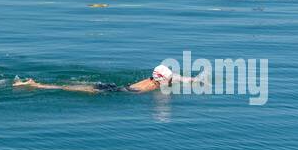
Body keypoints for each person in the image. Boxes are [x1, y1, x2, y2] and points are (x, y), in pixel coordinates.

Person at [13, 64, 197, 95]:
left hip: (115, 87)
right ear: (161, 79)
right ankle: (36, 85)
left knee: (72, 85)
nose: (172, 81)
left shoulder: (153, 80)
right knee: (66, 89)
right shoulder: (153, 87)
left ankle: (36, 84)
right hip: (115, 92)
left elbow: (180, 78)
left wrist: (192, 81)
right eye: (169, 79)